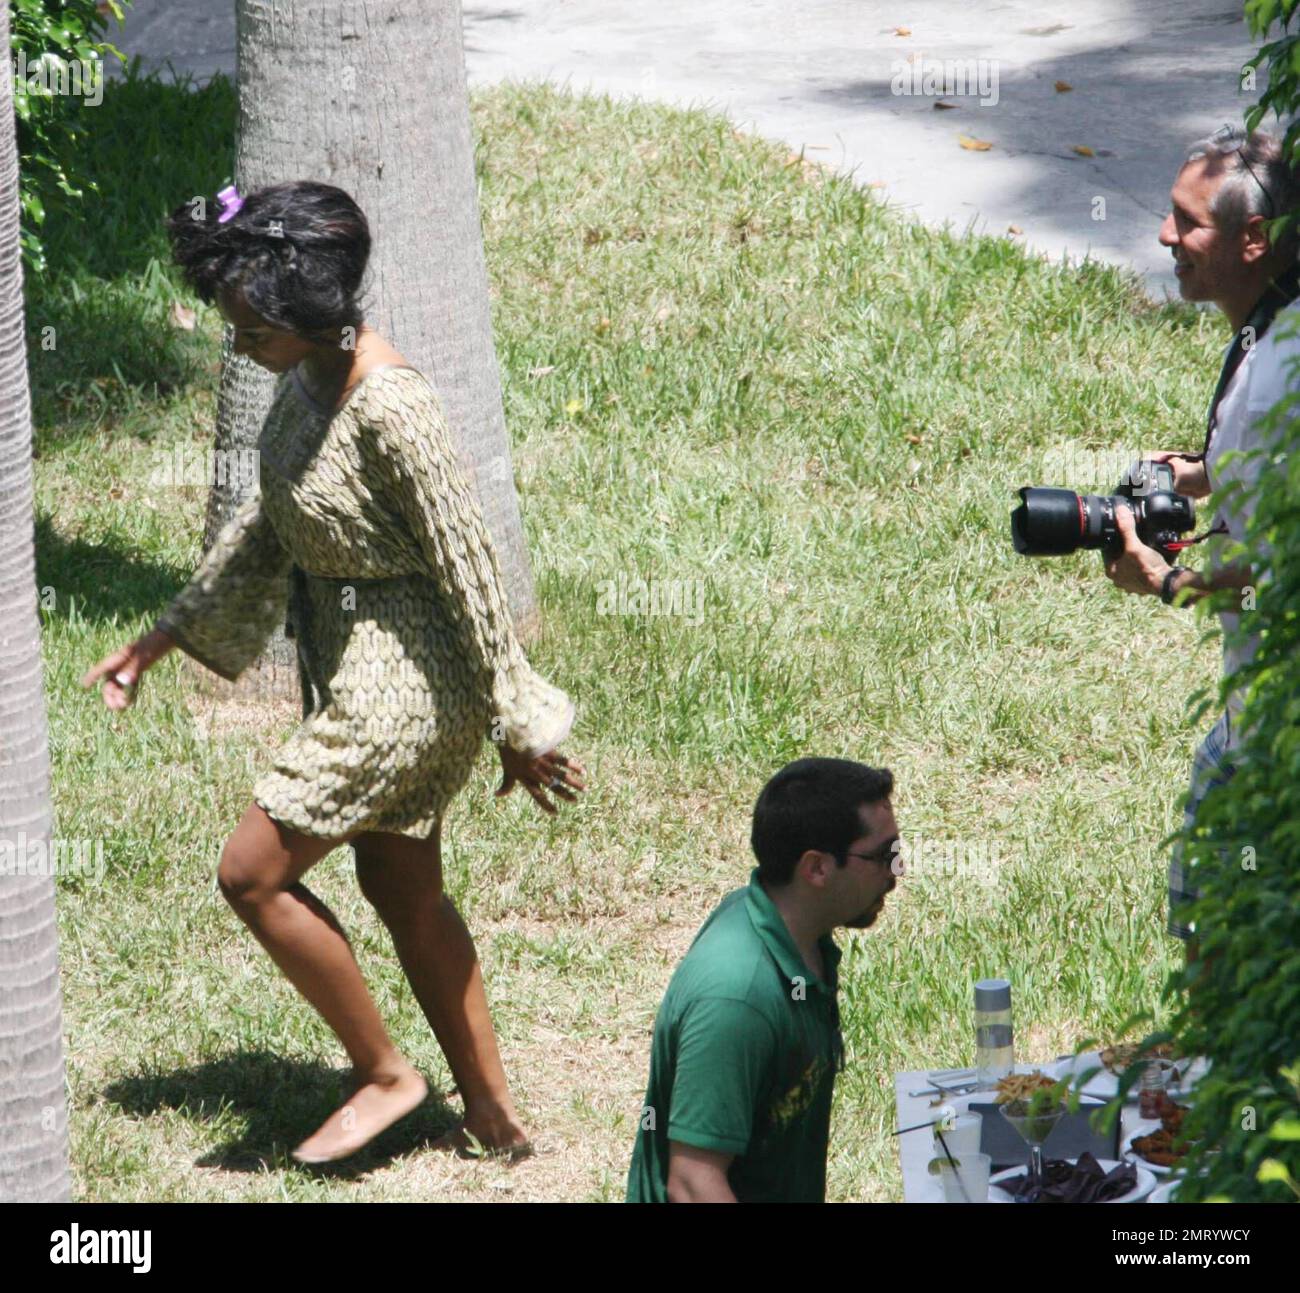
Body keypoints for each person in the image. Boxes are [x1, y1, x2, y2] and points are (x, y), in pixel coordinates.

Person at [82, 180, 586, 1163]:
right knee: (404, 891)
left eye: (251, 329)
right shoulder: (304, 376)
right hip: (357, 669)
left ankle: (387, 1076)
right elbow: (269, 522)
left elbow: (471, 566)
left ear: (306, 308)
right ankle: (494, 1124)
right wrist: (161, 638)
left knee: (250, 873)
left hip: (405, 689)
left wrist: (517, 723)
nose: (239, 345)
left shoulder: (390, 404)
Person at [1104, 126, 1300, 948]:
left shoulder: (1279, 375)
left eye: (1188, 223)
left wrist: (1168, 580)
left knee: (1218, 943)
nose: (1164, 236)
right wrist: (1200, 473)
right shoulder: (1272, 325)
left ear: (1253, 241)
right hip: (1258, 704)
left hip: (1277, 725)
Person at [626, 757, 899, 1203]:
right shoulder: (737, 998)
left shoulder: (798, 936)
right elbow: (693, 1184)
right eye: (883, 856)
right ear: (816, 868)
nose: (897, 872)